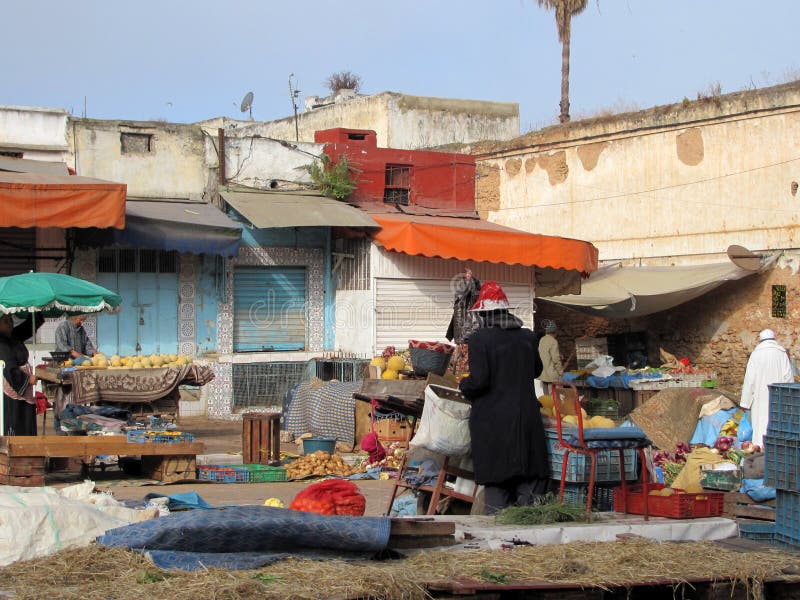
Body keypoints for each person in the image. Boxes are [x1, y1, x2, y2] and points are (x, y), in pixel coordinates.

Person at [459, 281, 549, 514]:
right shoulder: (527, 337)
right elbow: (536, 371)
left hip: (494, 427)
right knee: (530, 505)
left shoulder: (480, 340)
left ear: (485, 315)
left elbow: (479, 381)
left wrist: (463, 385)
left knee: (497, 502)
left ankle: (498, 541)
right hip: (527, 424)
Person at [740, 328, 793, 447]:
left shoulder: (756, 354)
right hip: (778, 397)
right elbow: (788, 378)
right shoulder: (782, 354)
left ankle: (760, 449)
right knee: (777, 423)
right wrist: (789, 399)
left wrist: (745, 402)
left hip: (760, 397)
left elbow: (749, 380)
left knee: (760, 423)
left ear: (761, 340)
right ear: (774, 339)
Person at [0, 314, 41, 436]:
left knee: (26, 419)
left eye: (11, 320)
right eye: (5, 321)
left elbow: (27, 328)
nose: (10, 324)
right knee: (17, 421)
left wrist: (35, 311)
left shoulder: (12, 336)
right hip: (13, 387)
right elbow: (9, 368)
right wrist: (27, 379)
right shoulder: (1, 344)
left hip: (23, 385)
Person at [537, 319, 564, 395]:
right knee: (555, 396)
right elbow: (555, 359)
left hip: (543, 372)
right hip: (551, 374)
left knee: (546, 396)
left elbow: (544, 353)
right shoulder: (553, 341)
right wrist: (560, 372)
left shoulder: (542, 339)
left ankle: (547, 407)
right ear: (555, 332)